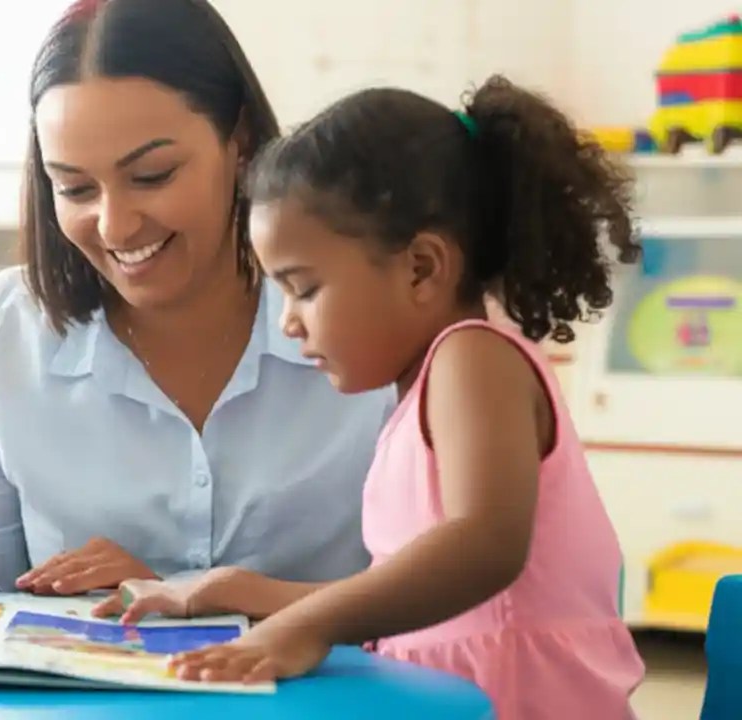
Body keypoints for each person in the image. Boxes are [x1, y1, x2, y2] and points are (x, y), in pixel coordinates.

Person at [0, 0, 394, 625]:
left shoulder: (376, 316)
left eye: (152, 175)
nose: (115, 226)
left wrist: (203, 596)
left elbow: (464, 590)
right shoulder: (5, 334)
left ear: (241, 142)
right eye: (74, 188)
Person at [112, 76, 648, 717]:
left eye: (304, 288)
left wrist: (307, 625)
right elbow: (420, 594)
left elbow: (483, 545)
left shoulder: (472, 359)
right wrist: (247, 591)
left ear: (421, 267)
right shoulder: (429, 386)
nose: (289, 321)